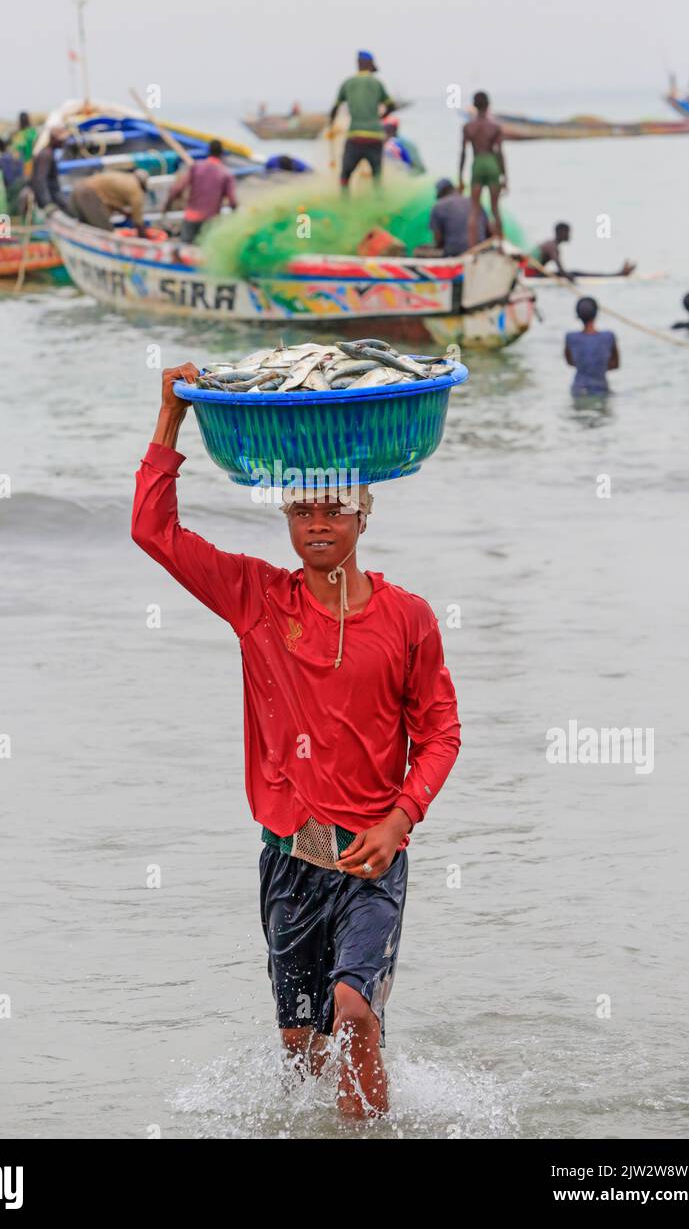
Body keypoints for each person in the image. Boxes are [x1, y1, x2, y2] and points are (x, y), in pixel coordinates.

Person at [131, 367, 461, 1120]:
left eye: (336, 509)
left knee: (354, 1012)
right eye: (304, 509)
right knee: (300, 1044)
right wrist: (169, 420)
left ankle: (375, 1137)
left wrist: (401, 817)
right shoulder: (257, 599)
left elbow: (441, 730)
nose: (320, 523)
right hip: (290, 858)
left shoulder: (407, 618)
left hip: (371, 858)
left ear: (363, 517)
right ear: (285, 517)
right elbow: (153, 533)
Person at [329, 51, 395, 190]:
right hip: (375, 136)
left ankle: (344, 203)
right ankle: (379, 203)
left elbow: (334, 109)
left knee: (345, 175)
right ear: (370, 64)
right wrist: (379, 118)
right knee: (376, 176)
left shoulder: (348, 83)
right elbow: (391, 106)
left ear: (358, 64)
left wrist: (331, 127)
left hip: (355, 136)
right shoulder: (377, 83)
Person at [459, 91, 506, 248]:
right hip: (492, 163)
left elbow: (463, 153)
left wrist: (460, 177)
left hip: (477, 163)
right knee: (495, 208)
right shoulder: (495, 127)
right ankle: (500, 245)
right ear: (488, 105)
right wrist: (505, 177)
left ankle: (473, 249)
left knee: (475, 209)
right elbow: (499, 152)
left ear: (474, 106)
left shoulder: (468, 127)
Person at [166, 140, 237, 243]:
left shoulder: (196, 167)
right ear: (221, 154)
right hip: (210, 221)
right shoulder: (225, 173)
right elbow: (233, 202)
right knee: (205, 250)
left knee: (186, 250)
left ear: (208, 152)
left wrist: (167, 206)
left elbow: (177, 189)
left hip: (191, 217)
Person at [532, 223, 635, 280]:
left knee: (575, 273)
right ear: (561, 233)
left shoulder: (552, 245)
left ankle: (617, 274)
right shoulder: (552, 247)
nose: (569, 236)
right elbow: (563, 272)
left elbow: (562, 272)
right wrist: (574, 280)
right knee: (575, 273)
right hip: (533, 276)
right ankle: (617, 275)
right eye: (568, 233)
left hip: (535, 274)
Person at [564, 297, 619, 396]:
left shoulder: (571, 337)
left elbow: (570, 362)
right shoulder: (608, 336)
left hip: (578, 389)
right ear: (596, 314)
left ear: (578, 315)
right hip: (601, 388)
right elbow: (615, 364)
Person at [70, 168, 151, 235]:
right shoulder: (137, 191)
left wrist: (124, 213)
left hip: (78, 189)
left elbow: (111, 198)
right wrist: (144, 238)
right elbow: (138, 221)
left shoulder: (127, 178)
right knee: (106, 233)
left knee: (87, 231)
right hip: (88, 195)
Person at [428, 178, 488, 256]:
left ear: (440, 193)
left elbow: (438, 239)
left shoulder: (438, 206)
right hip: (481, 250)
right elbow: (488, 229)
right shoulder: (474, 201)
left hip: (455, 253)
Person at [30, 125, 69, 215]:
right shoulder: (46, 155)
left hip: (54, 196)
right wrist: (47, 203)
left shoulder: (49, 153)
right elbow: (40, 180)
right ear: (55, 140)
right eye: (61, 140)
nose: (63, 142)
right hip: (51, 199)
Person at [0, 138, 26, 215]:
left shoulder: (2, 159)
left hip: (11, 185)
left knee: (12, 205)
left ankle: (15, 222)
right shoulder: (15, 156)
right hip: (21, 183)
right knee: (20, 203)